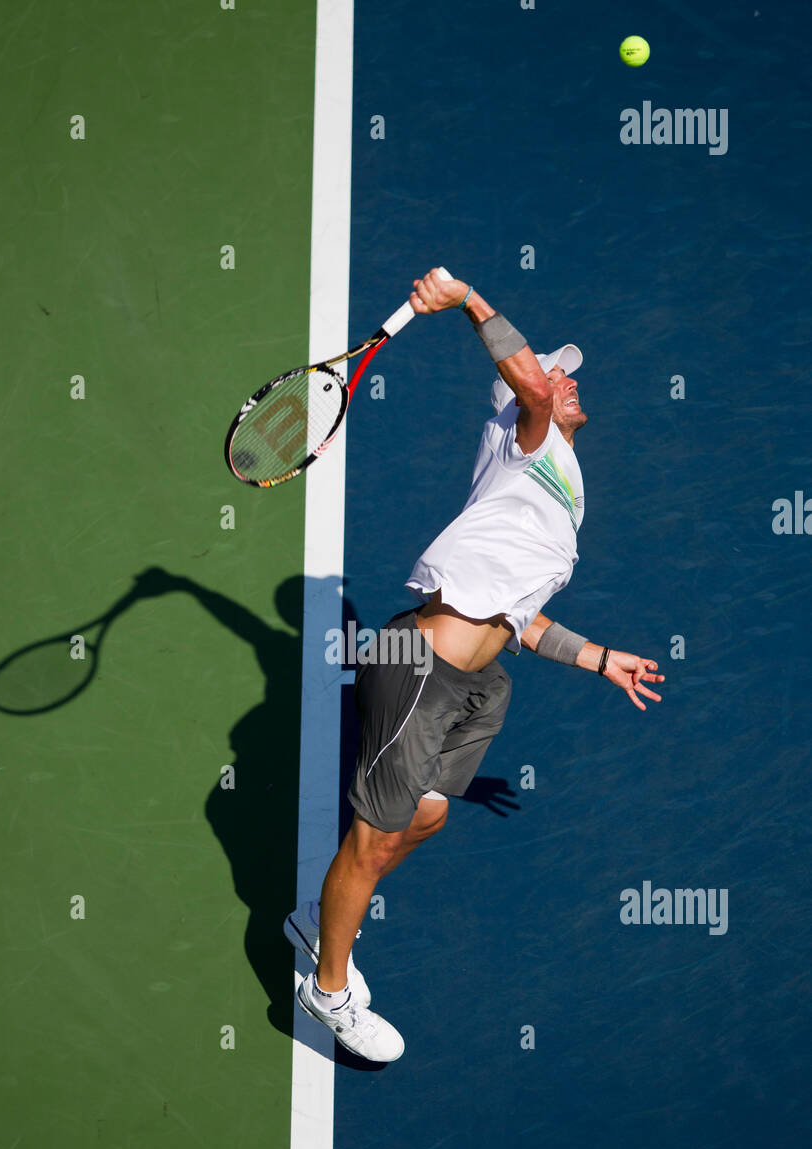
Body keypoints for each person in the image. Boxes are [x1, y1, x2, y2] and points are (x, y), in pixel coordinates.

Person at [284, 269, 665, 1062]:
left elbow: (517, 618)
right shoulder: (531, 444)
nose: (563, 379)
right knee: (370, 838)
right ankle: (325, 988)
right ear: (523, 406)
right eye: (553, 375)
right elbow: (524, 380)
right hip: (421, 669)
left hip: (476, 685)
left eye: (563, 374)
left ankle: (323, 921)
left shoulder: (555, 491)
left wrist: (599, 660)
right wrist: (469, 301)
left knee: (424, 814)